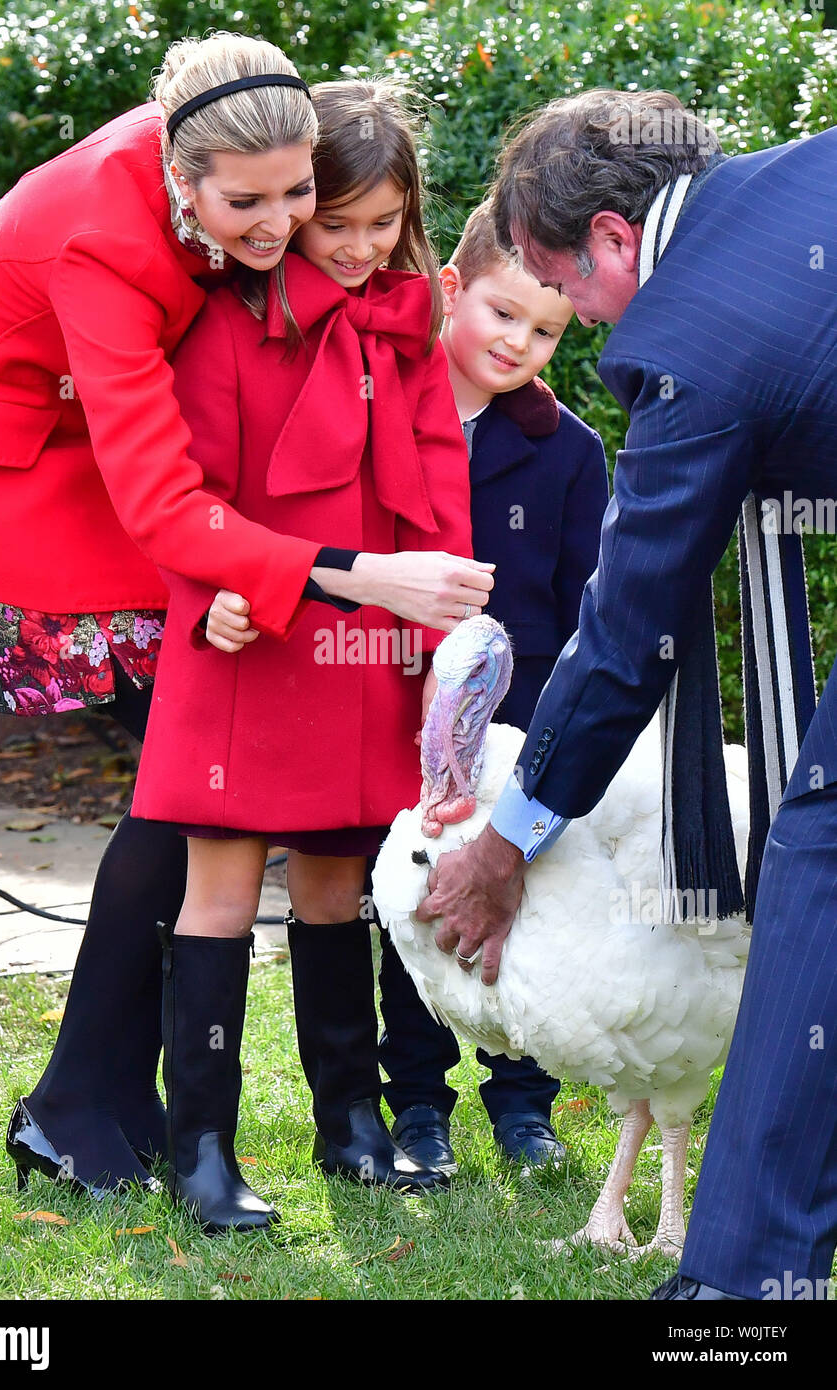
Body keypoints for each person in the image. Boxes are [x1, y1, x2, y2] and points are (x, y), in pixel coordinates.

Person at [0, 31, 490, 1198]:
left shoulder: (228, 132)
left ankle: (97, 1100)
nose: (277, 226)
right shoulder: (105, 244)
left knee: (192, 775)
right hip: (2, 471)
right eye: (247, 206)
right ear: (183, 181)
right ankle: (94, 1104)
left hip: (109, 446)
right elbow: (169, 507)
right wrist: (359, 578)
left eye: (297, 195)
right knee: (192, 764)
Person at [414, 87, 837, 1301]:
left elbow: (625, 632)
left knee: (817, 839)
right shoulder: (796, 176)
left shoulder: (693, 341)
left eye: (570, 290)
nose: (583, 322)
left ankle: (746, 1287)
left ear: (609, 237)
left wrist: (507, 838)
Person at [130, 76, 491, 1234]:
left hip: (364, 649)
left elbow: (438, 492)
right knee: (222, 895)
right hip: (244, 636)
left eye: (382, 222)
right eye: (335, 222)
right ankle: (204, 1149)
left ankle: (353, 1123)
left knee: (338, 885)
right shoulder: (224, 325)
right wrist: (216, 604)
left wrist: (448, 633)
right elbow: (189, 502)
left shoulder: (409, 324)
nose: (357, 245)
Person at [369, 199, 608, 1175]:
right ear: (453, 290)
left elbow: (593, 606)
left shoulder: (570, 455)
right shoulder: (380, 412)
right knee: (412, 907)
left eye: (546, 328)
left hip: (523, 723)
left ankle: (523, 1101)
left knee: (526, 906)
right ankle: (417, 1104)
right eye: (504, 314)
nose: (521, 341)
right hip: (397, 713)